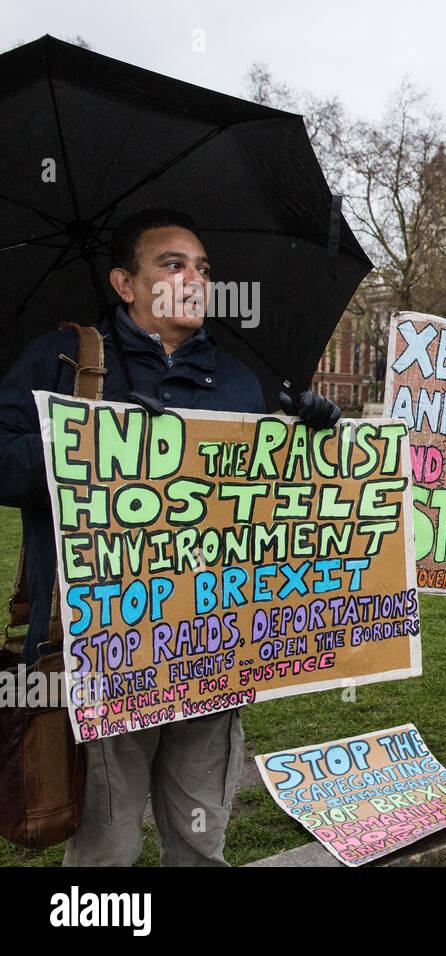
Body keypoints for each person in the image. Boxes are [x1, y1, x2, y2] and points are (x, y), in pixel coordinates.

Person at [0, 209, 340, 866]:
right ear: (125, 283)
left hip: (211, 648)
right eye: (173, 264)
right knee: (106, 847)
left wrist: (311, 445)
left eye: (204, 269)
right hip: (105, 649)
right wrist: (89, 438)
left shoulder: (240, 382)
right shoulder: (65, 359)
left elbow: (262, 506)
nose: (195, 278)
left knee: (201, 839)